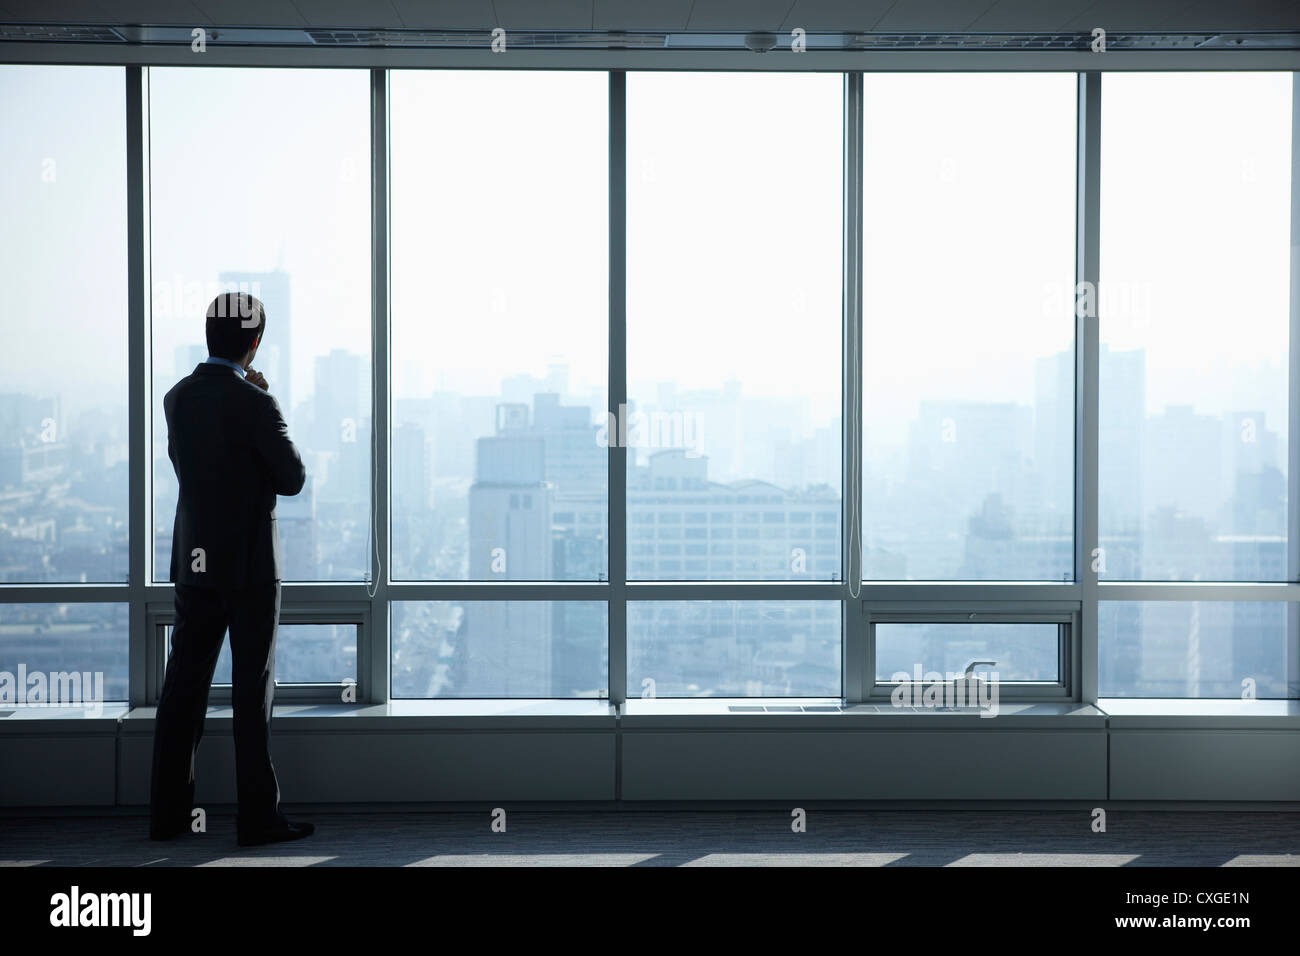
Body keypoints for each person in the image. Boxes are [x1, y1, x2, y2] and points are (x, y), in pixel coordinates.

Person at [149, 291, 314, 847]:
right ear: (255, 342)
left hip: (194, 561)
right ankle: (257, 819)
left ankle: (168, 815)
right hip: (249, 565)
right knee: (251, 688)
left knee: (184, 688)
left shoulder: (177, 398)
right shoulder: (254, 402)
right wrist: (266, 402)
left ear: (207, 334)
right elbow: (291, 479)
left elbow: (193, 471)